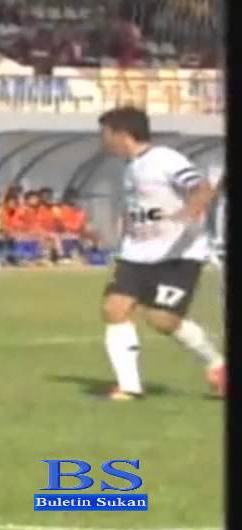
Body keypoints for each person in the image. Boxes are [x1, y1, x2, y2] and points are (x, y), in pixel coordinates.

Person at [96, 106, 224, 400]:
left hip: (178, 254)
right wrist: (126, 229)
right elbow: (140, 207)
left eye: (104, 134)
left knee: (162, 319)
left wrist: (191, 209)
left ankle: (217, 363)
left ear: (122, 134)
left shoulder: (164, 158)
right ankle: (129, 387)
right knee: (114, 308)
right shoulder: (129, 167)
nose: (101, 140)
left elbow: (202, 187)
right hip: (137, 254)